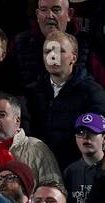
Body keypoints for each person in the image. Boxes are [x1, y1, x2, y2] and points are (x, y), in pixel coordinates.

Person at [27, 31, 105, 168]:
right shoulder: (32, 92)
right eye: (47, 52)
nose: (53, 56)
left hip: (77, 170)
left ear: (74, 58)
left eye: (60, 51)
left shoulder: (92, 92)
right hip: (39, 168)